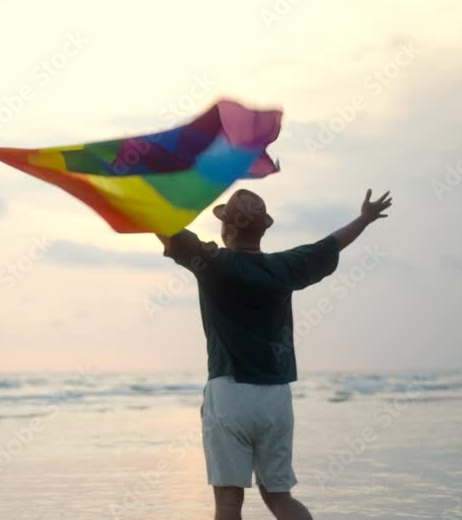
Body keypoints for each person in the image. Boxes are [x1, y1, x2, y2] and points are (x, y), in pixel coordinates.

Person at [158, 188, 393, 520]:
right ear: (263, 230)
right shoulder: (285, 267)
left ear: (226, 230)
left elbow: (169, 233)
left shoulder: (212, 263)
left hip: (230, 391)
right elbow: (332, 244)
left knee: (228, 502)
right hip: (276, 398)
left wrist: (140, 202)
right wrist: (365, 218)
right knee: (280, 498)